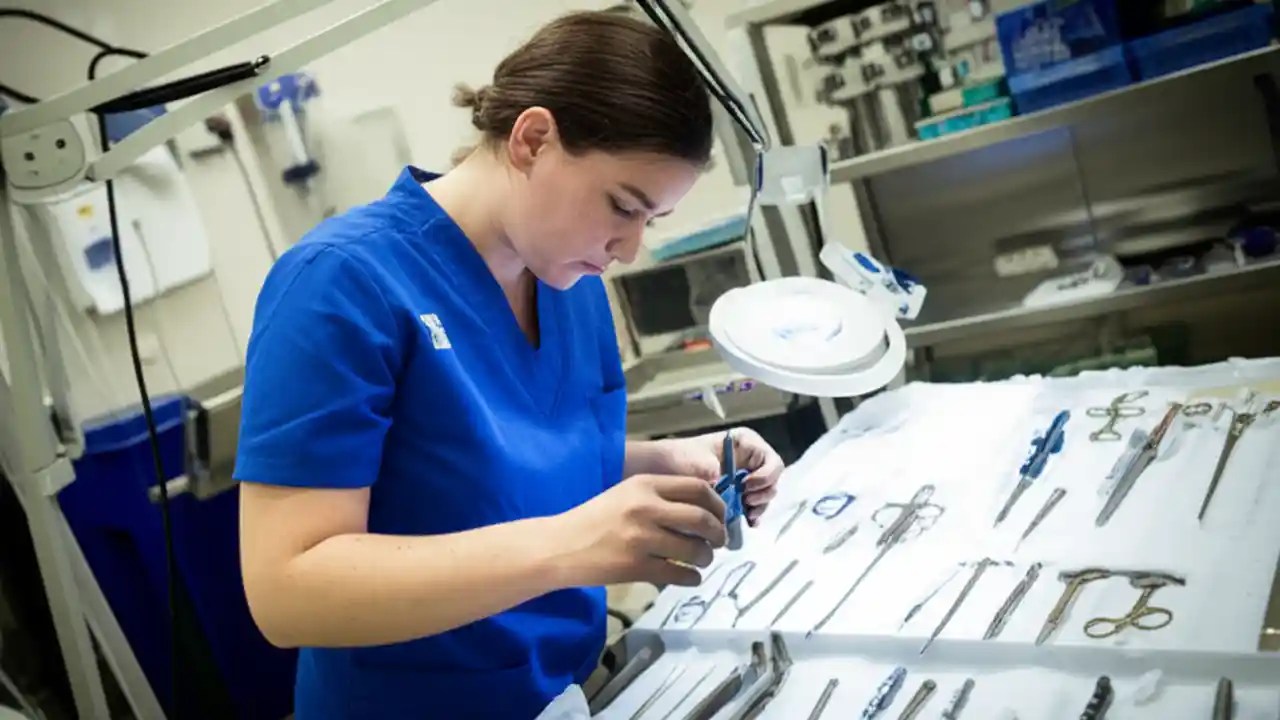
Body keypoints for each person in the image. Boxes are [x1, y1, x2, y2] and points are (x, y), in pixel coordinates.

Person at [234, 10, 786, 720]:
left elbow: (501, 467)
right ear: (532, 140)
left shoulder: (569, 281)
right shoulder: (342, 283)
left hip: (567, 691)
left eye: (654, 221)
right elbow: (287, 591)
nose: (630, 249)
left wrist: (667, 460)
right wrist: (569, 546)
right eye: (623, 206)